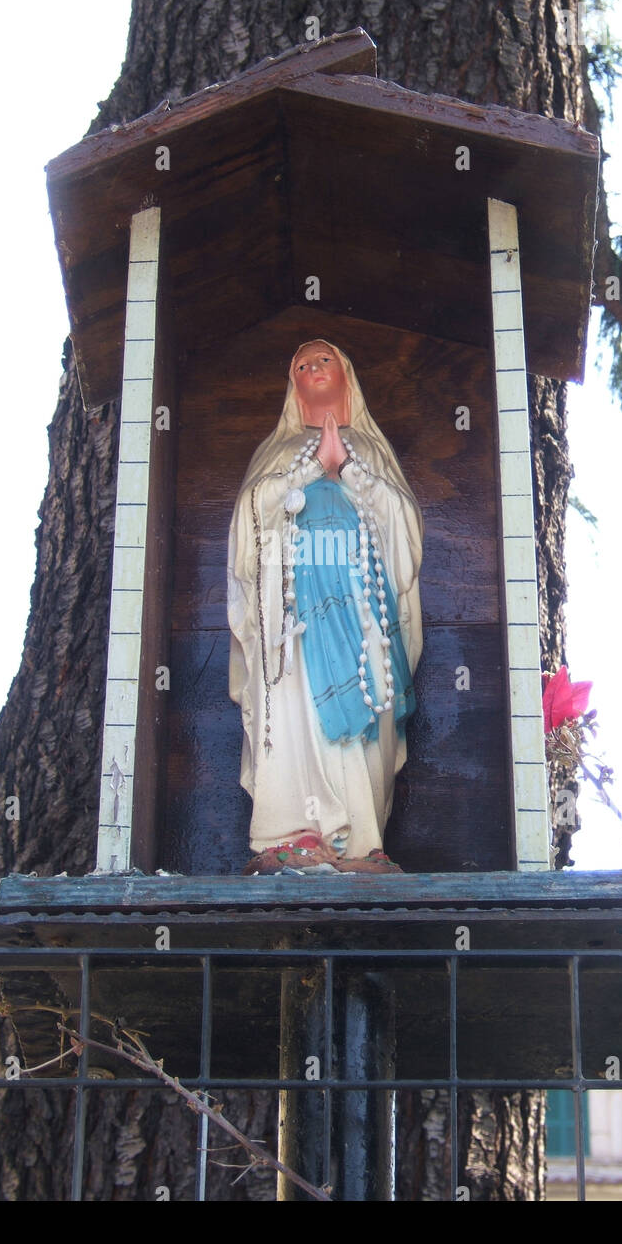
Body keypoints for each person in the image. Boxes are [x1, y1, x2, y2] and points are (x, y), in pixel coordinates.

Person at [227, 340, 423, 874]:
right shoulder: (276, 450)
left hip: (361, 604)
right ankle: (293, 831)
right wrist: (306, 471)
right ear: (293, 384)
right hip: (293, 608)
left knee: (365, 705)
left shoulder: (372, 449)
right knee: (297, 708)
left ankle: (360, 841)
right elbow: (248, 527)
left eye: (324, 359)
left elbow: (403, 531)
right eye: (301, 364)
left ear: (346, 376)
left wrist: (350, 471)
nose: (313, 368)